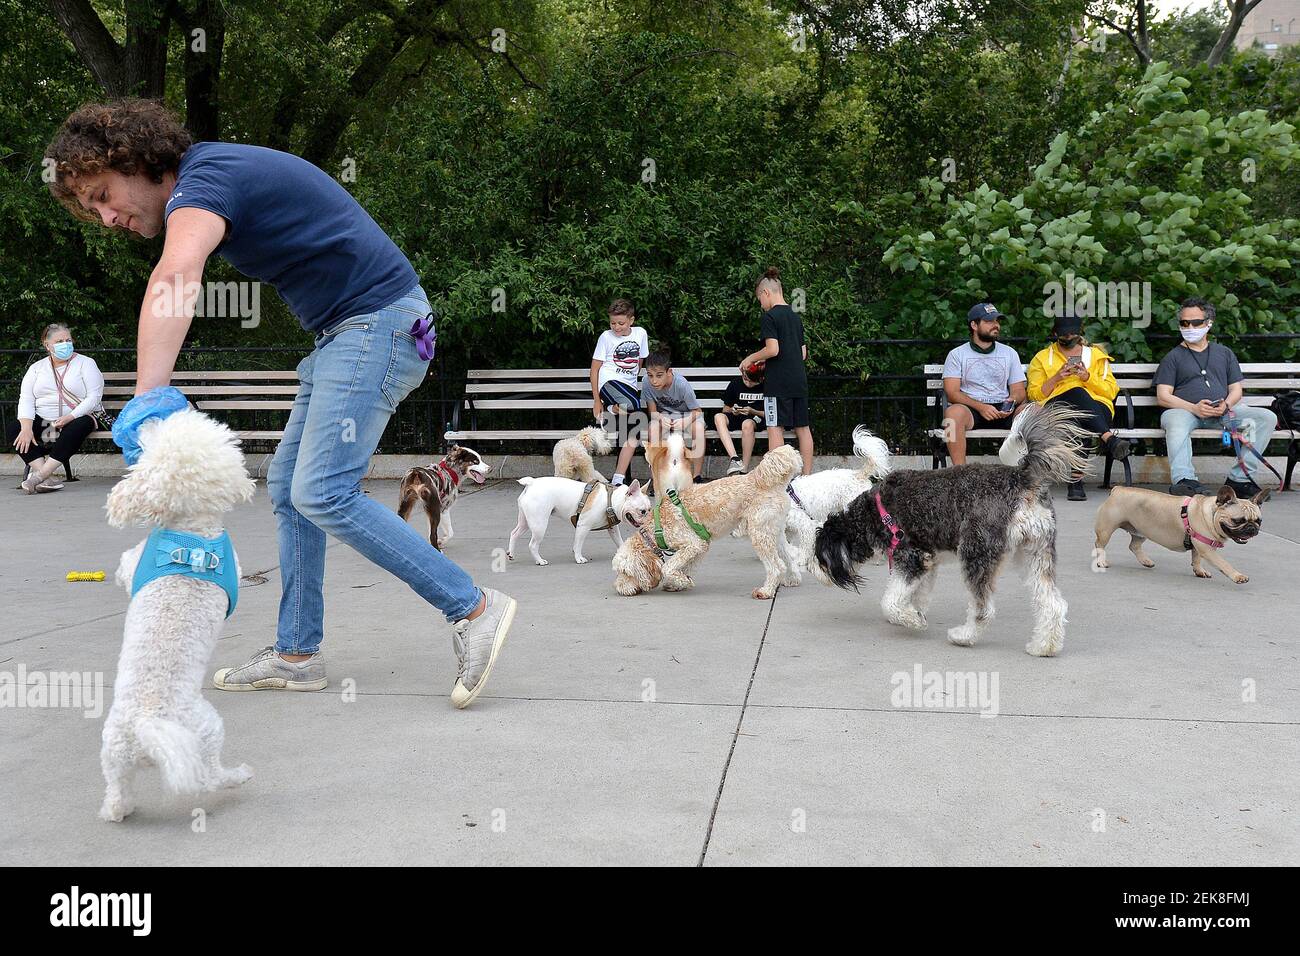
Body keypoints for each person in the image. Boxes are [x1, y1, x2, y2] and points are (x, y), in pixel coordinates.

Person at [45, 99, 513, 708]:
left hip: (379, 323)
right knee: (291, 485)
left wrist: (146, 400)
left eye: (103, 194)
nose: (105, 216)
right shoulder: (211, 179)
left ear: (136, 160)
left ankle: (473, 606)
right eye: (91, 211)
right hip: (346, 333)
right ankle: (298, 653)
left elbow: (177, 276)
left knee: (323, 490)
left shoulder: (203, 182)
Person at [1155, 297, 1277, 498]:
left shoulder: (1224, 353)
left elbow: (1236, 389)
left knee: (1266, 417)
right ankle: (1184, 480)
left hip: (1223, 412)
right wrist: (1194, 408)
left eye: (1196, 322)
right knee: (1174, 420)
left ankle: (1240, 479)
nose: (1190, 327)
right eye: (1184, 323)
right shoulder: (1173, 357)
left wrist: (1226, 404)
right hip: (1186, 412)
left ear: (1208, 323)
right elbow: (1163, 396)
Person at [1026, 313, 1128, 501]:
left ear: (1080, 333)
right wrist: (1057, 377)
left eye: (1072, 334)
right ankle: (1108, 439)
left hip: (1098, 409)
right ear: (1055, 333)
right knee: (1075, 394)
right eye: (1064, 335)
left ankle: (1076, 483)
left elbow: (1111, 391)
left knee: (1079, 414)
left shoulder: (1096, 356)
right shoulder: (1042, 358)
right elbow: (1034, 394)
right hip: (1057, 409)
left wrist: (1088, 378)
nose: (1068, 338)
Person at [9, 323, 104, 493]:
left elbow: (94, 398)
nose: (66, 344)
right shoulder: (36, 368)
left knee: (79, 425)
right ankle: (48, 478)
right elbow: (26, 399)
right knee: (15, 429)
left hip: (77, 418)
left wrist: (70, 416)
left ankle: (39, 476)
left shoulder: (86, 363)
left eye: (68, 340)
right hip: (48, 423)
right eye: (60, 341)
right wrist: (26, 427)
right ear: (47, 345)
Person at [742, 267, 813, 475]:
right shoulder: (795, 316)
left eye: (759, 301)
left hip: (778, 383)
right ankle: (807, 478)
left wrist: (750, 359)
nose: (761, 306)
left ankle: (779, 477)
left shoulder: (770, 317)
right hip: (798, 381)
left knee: (774, 427)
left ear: (766, 293)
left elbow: (773, 349)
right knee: (803, 429)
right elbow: (802, 354)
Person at [941, 303, 1027, 466]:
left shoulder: (1009, 353)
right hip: (972, 410)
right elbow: (952, 392)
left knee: (1033, 412)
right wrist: (981, 407)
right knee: (952, 415)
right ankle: (960, 475)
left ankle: (1028, 474)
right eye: (989, 321)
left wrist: (1011, 402)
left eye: (997, 321)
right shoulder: (957, 354)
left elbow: (1018, 390)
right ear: (974, 325)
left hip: (1004, 409)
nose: (996, 325)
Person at [590, 297, 648, 487]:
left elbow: (639, 363)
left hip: (628, 387)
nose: (616, 327)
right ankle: (610, 407)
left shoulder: (640, 334)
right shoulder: (606, 337)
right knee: (634, 408)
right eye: (613, 323)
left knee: (635, 428)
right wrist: (597, 401)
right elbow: (595, 370)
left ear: (631, 320)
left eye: (621, 323)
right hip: (608, 382)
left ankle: (618, 479)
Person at [641, 348, 706, 482]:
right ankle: (657, 476)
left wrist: (686, 421)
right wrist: (659, 417)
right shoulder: (646, 383)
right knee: (653, 427)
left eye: (659, 375)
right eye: (650, 375)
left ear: (669, 372)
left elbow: (697, 411)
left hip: (688, 416)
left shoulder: (681, 384)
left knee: (698, 429)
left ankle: (696, 476)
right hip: (664, 417)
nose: (654, 380)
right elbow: (653, 412)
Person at [714, 362, 765, 475]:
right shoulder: (735, 383)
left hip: (756, 418)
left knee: (747, 424)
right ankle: (735, 458)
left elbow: (771, 414)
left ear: (760, 379)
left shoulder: (766, 385)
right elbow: (725, 410)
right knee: (718, 417)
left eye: (750, 381)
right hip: (738, 416)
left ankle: (744, 469)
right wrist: (733, 410)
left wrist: (752, 411)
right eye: (745, 378)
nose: (746, 383)